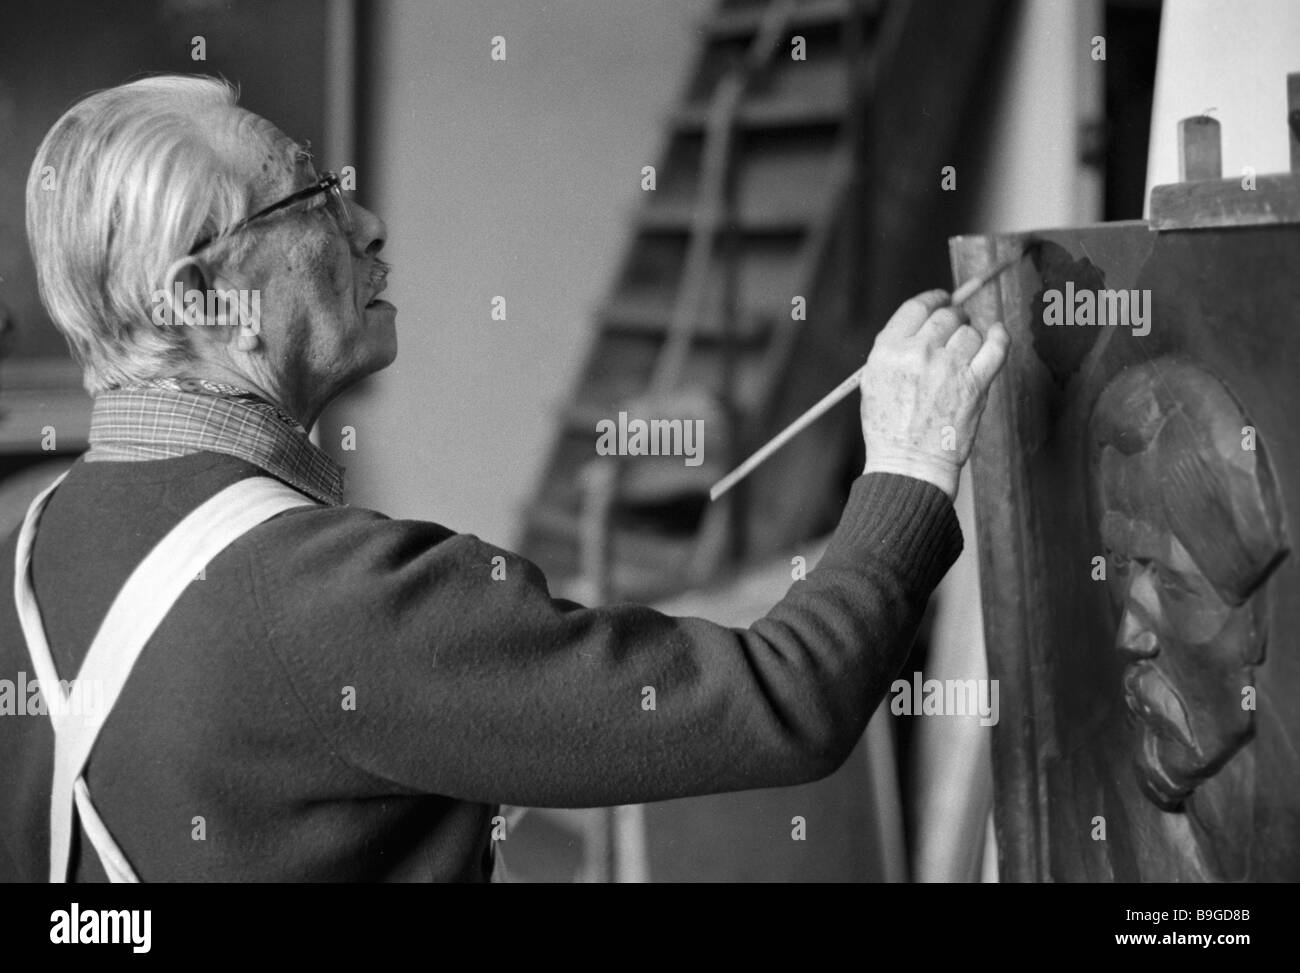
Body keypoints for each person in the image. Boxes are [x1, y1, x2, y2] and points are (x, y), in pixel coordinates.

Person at [0, 75, 1008, 882]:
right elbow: (788, 701)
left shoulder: (26, 539)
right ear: (206, 297)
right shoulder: (337, 599)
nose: (368, 224)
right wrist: (912, 463)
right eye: (311, 196)